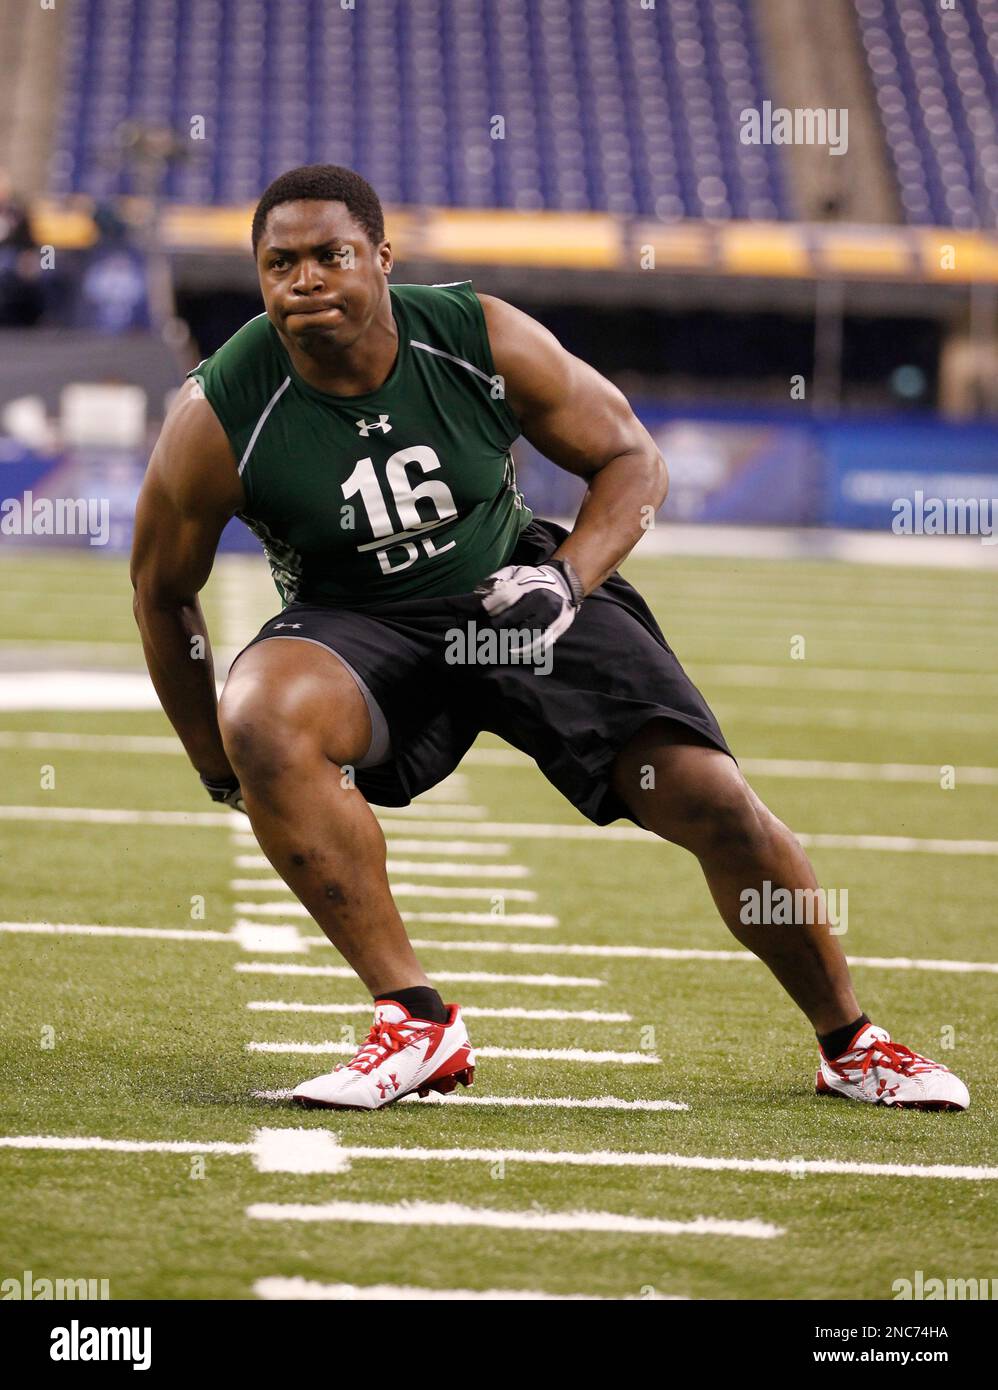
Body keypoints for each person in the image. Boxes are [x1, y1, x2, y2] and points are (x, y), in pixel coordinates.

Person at [130, 165, 968, 1113]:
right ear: (258, 277)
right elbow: (162, 593)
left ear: (382, 259)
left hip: (513, 592)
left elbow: (631, 458)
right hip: (354, 627)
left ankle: (850, 1042)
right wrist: (216, 764)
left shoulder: (474, 334)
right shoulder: (220, 412)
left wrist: (565, 577)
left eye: (333, 256)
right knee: (261, 715)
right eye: (282, 264)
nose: (308, 281)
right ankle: (415, 1021)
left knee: (713, 799)